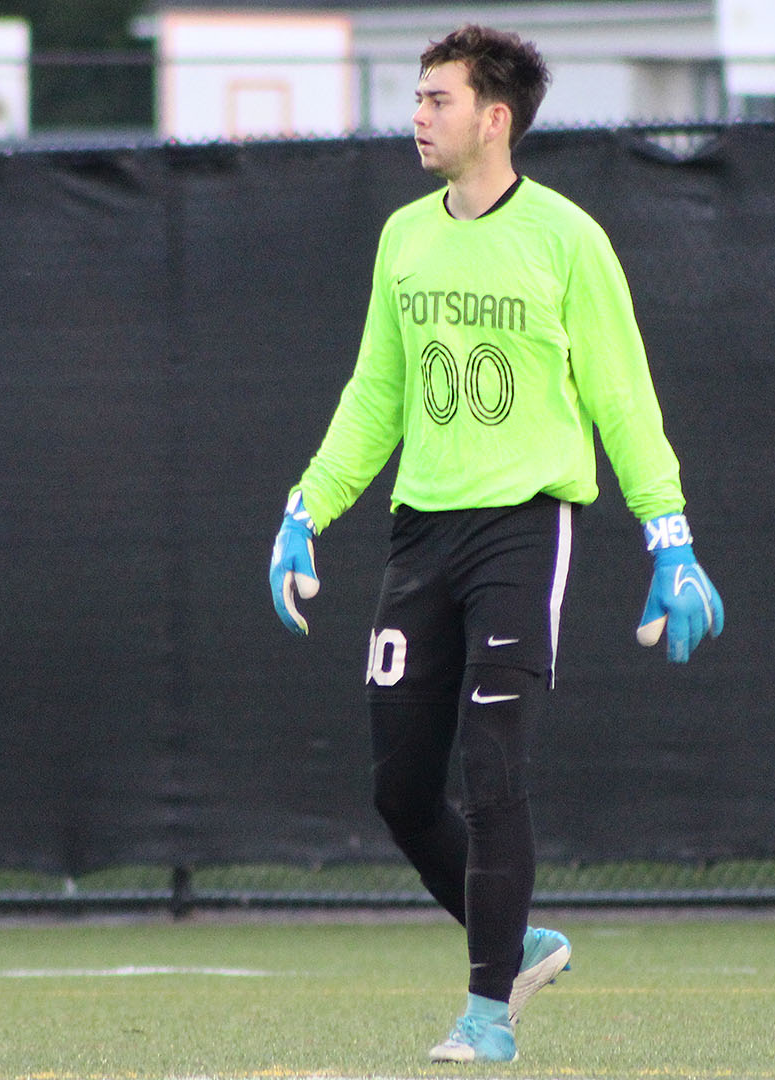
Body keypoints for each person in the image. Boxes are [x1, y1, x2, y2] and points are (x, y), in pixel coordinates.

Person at [267, 24, 723, 1064]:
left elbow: (622, 396)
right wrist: (306, 510)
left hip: (525, 528)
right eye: (418, 97)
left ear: (494, 118)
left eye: (438, 99)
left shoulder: (567, 239)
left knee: (493, 763)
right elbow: (375, 396)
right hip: (421, 536)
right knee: (399, 789)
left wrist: (672, 537)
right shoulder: (403, 238)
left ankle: (486, 1015)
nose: (418, 115)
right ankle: (520, 944)